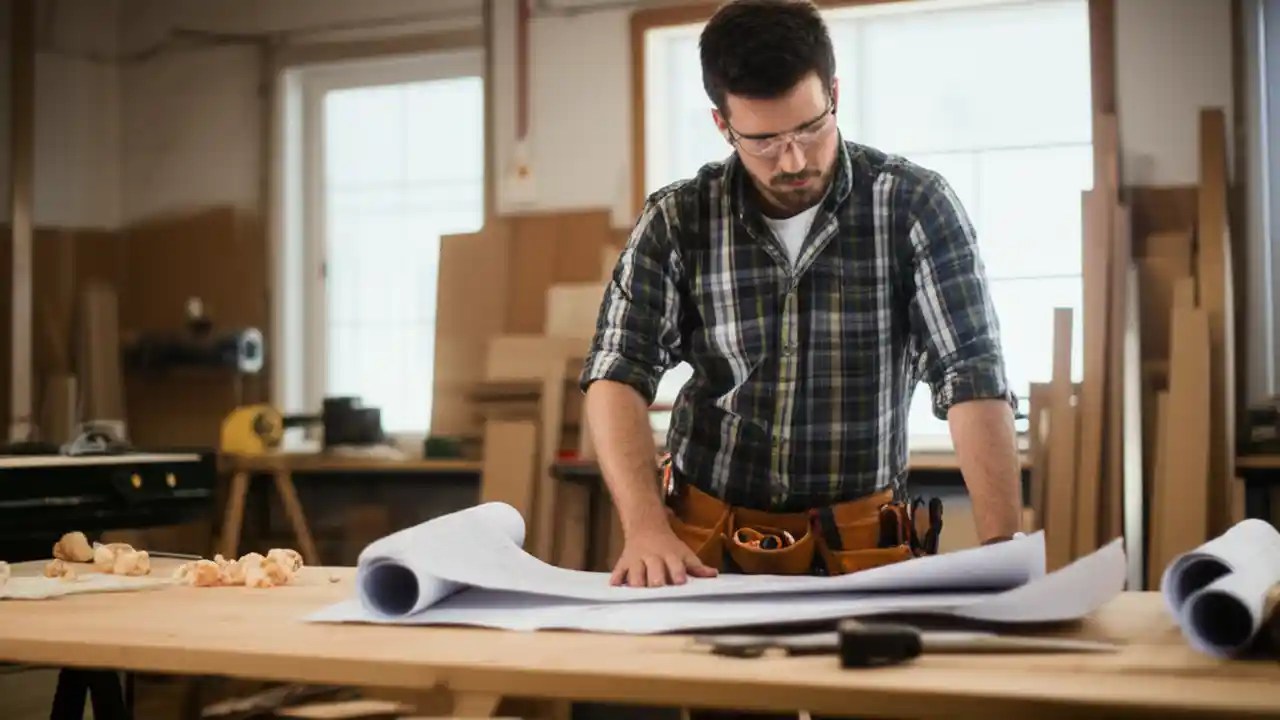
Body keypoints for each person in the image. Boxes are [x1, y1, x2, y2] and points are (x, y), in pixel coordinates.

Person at [580, 0, 1023, 590]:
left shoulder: (914, 206)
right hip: (699, 550)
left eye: (811, 128)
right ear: (722, 125)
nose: (794, 159)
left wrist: (1001, 552)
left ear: (834, 93)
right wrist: (644, 526)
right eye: (763, 141)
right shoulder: (678, 219)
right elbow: (616, 373)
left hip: (864, 551)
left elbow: (971, 374)